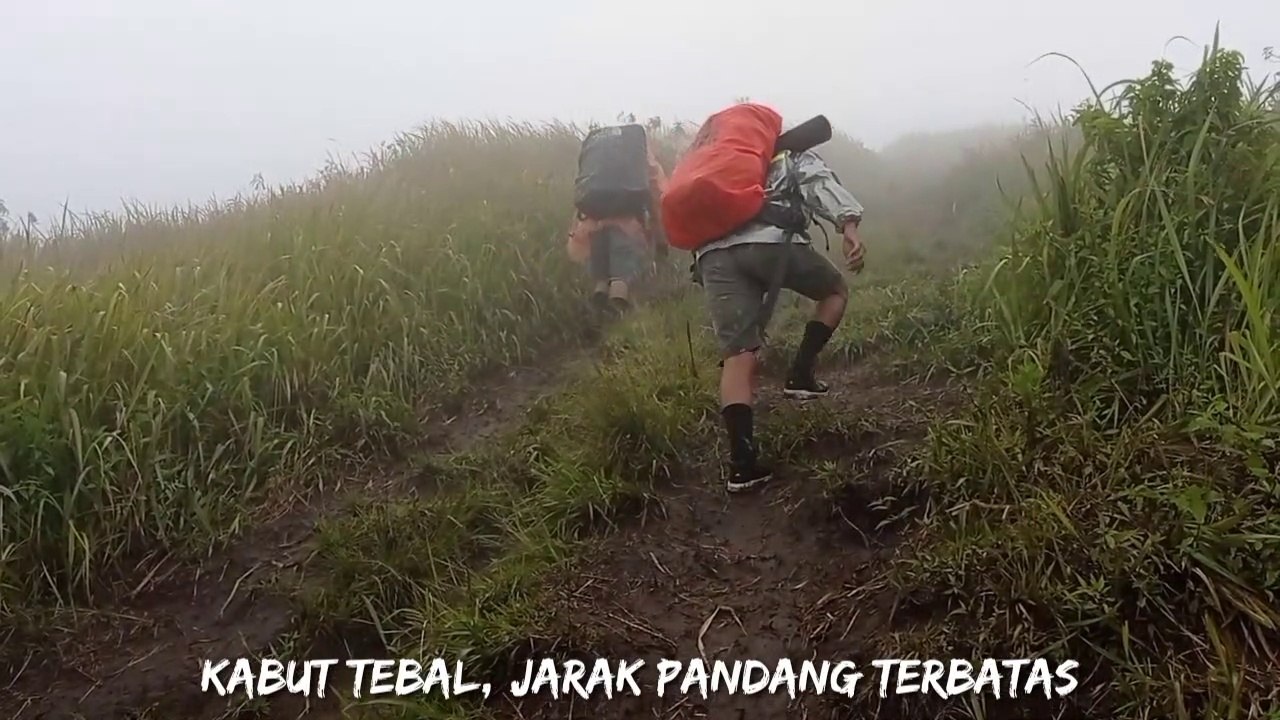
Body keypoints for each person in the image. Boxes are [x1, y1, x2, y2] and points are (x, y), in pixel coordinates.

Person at [693, 148, 865, 493]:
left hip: (713, 255)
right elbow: (819, 184)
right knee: (834, 292)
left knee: (738, 355)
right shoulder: (788, 153)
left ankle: (743, 467)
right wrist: (848, 226)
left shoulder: (715, 160)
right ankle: (800, 375)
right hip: (773, 242)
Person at [566, 125, 669, 314]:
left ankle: (599, 296)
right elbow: (656, 197)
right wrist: (661, 239)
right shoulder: (642, 157)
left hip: (593, 217)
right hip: (627, 220)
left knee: (601, 271)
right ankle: (618, 305)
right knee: (623, 266)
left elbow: (581, 187)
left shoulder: (595, 154)